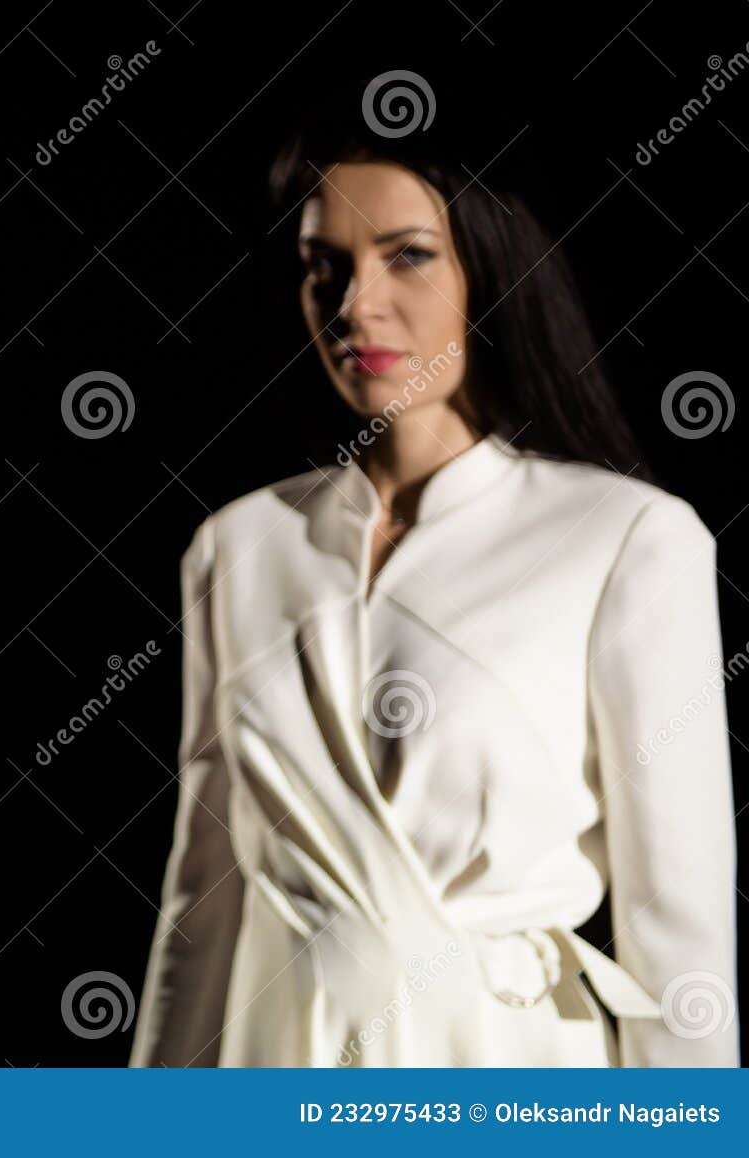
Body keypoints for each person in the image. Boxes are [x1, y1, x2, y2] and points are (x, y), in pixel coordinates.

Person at [128, 101, 739, 1067]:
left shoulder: (625, 540)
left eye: (407, 255)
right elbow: (202, 904)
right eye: (323, 264)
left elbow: (682, 924)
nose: (353, 303)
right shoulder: (237, 547)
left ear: (486, 271)